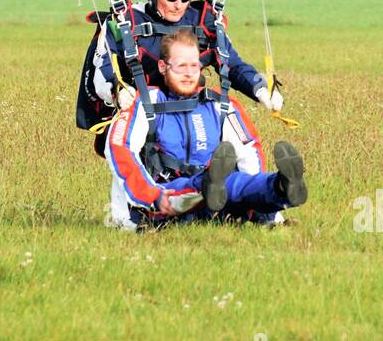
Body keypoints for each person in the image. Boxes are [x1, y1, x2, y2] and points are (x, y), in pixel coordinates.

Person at [104, 26, 308, 231]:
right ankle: (209, 184)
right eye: (181, 66)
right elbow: (119, 147)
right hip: (165, 198)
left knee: (236, 184)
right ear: (162, 66)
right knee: (199, 187)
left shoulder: (219, 104)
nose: (188, 73)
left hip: (216, 197)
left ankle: (281, 187)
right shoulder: (144, 103)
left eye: (194, 66)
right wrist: (149, 195)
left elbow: (249, 151)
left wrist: (264, 211)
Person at [89, 0, 284, 119]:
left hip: (192, 112)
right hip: (141, 113)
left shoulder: (203, 21)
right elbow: (104, 69)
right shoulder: (126, 22)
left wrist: (260, 89)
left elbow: (232, 64)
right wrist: (117, 92)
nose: (178, 4)